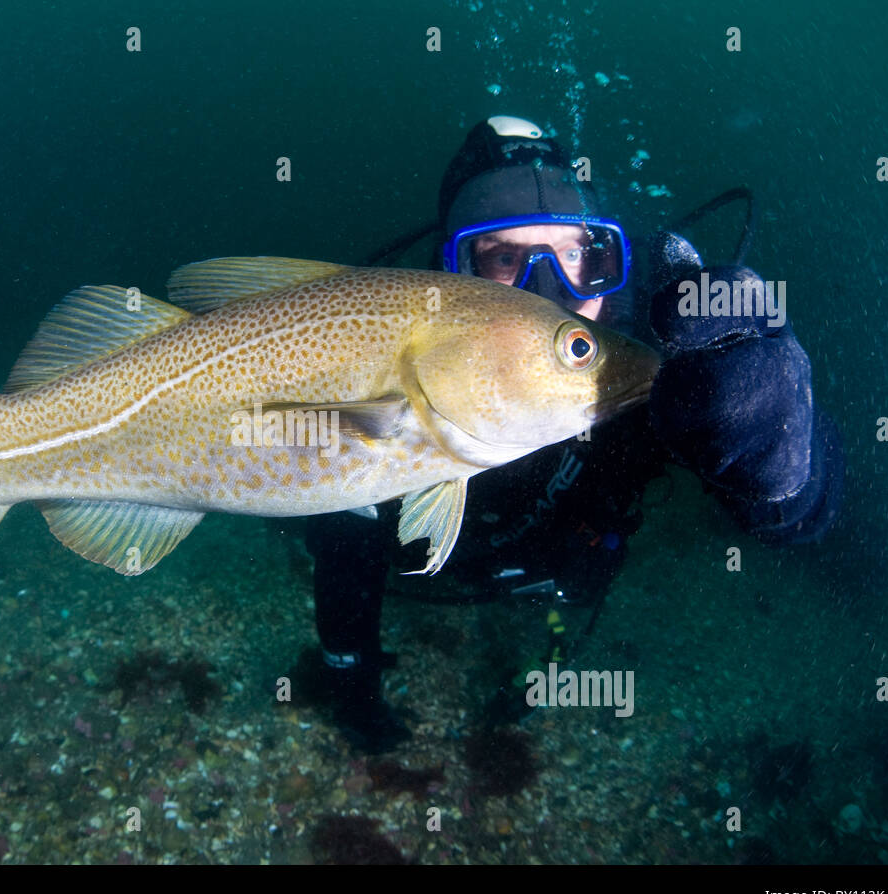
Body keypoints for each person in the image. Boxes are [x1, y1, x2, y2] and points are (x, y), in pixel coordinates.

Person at [303, 115, 845, 752]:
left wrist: (781, 460)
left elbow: (803, 515)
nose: (549, 294)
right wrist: (350, 677)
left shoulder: (638, 357)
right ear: (448, 271)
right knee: (338, 527)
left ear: (609, 258)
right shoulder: (377, 339)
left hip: (557, 567)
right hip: (413, 558)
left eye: (579, 257)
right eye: (504, 258)